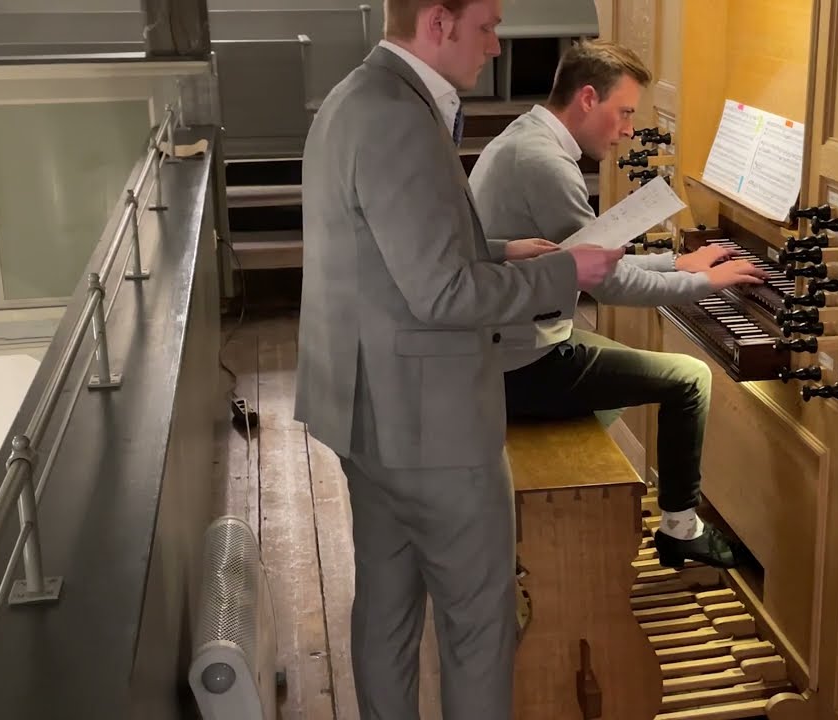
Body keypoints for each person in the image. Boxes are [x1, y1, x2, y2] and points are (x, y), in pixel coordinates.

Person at [292, 2, 625, 718]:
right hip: (431, 427)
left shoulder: (356, 95)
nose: (496, 45)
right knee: (478, 628)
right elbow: (442, 294)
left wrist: (501, 251)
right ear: (438, 23)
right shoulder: (400, 118)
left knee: (386, 612)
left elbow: (388, 248)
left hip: (368, 414)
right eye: (486, 26)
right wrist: (567, 272)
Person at [469, 40, 767, 570]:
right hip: (516, 364)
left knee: (616, 373)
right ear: (588, 98)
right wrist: (706, 282)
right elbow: (609, 285)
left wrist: (678, 264)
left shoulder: (525, 136)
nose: (629, 129)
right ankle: (680, 529)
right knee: (689, 379)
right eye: (625, 112)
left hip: (507, 344)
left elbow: (592, 263)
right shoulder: (546, 165)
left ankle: (576, 509)